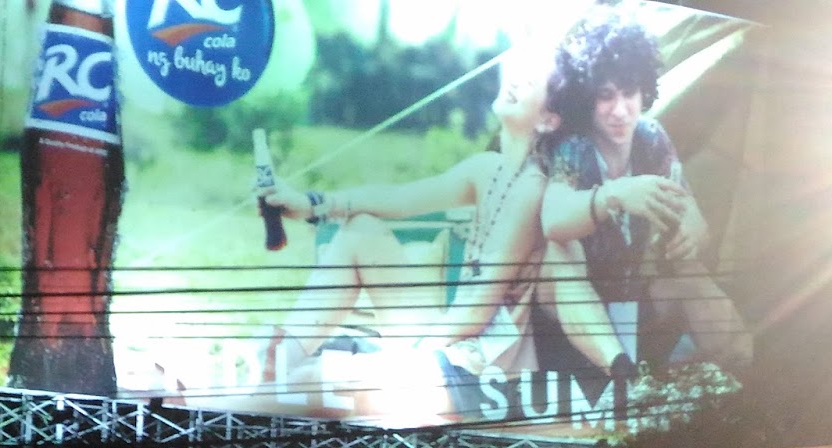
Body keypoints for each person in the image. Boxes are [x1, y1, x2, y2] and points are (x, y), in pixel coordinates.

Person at [256, 43, 624, 426]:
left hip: (481, 376)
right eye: (517, 73)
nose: (514, 82)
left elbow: (476, 308)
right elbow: (398, 199)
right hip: (450, 347)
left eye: (530, 83)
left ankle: (241, 397)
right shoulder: (487, 169)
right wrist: (310, 202)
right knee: (360, 231)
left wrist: (407, 359)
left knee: (320, 383)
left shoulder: (533, 186)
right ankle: (282, 358)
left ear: (548, 119)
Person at [539, 8, 751, 373]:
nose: (620, 110)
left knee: (687, 265)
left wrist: (689, 236)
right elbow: (553, 220)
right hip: (571, 307)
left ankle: (741, 366)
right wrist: (614, 195)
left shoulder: (651, 138)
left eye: (629, 93)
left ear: (644, 90)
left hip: (633, 297)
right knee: (562, 252)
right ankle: (619, 370)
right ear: (586, 98)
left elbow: (696, 222)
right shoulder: (575, 146)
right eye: (605, 96)